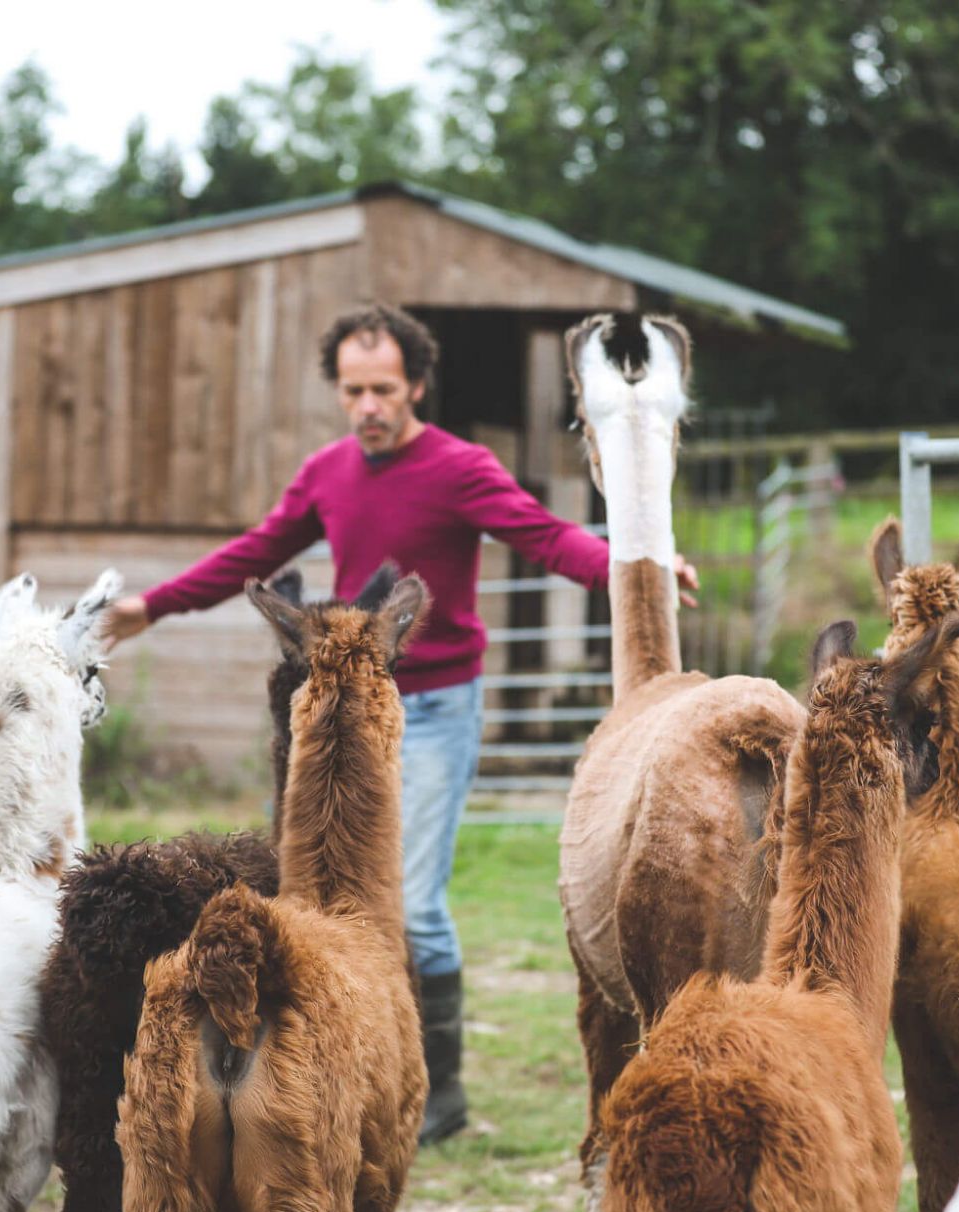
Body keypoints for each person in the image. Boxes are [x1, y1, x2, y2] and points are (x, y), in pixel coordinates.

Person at [100, 303, 697, 1144]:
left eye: (383, 389)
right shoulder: (328, 473)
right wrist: (151, 607)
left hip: (440, 705)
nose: (368, 405)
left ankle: (436, 1088)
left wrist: (639, 567)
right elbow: (254, 552)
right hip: (349, 709)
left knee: (413, 903)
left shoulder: (459, 467)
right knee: (328, 895)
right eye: (354, 391)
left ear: (416, 384)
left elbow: (544, 536)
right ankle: (343, 1057)